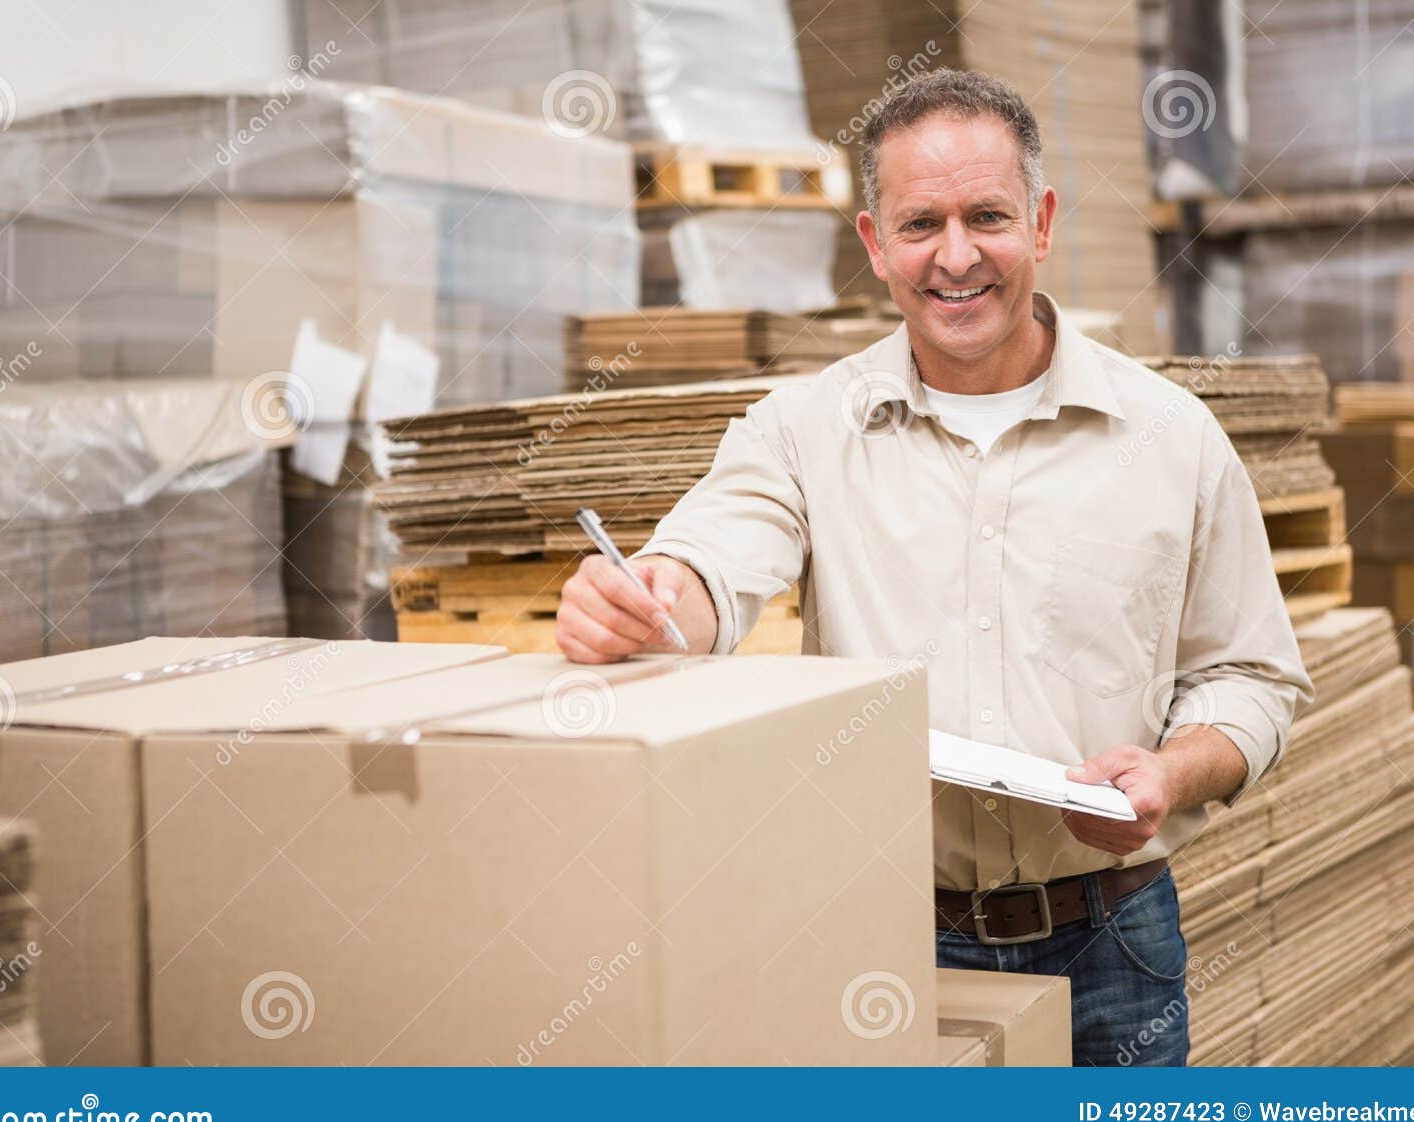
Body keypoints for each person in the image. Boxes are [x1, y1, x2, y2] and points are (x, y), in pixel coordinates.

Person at [555, 68, 1312, 1066]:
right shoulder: (803, 429)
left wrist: (1172, 768)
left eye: (986, 216)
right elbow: (708, 565)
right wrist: (642, 601)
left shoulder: (1171, 435)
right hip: (882, 934)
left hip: (1113, 941)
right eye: (920, 224)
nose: (956, 256)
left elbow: (1251, 674)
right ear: (874, 244)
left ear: (1040, 222)